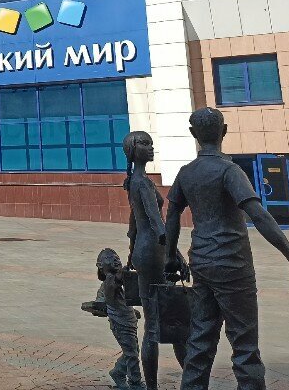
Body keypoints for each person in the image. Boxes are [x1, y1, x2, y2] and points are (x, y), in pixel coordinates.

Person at [164, 107, 289, 390]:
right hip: (233, 265)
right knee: (244, 344)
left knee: (199, 340)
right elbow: (259, 216)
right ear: (224, 131)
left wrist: (170, 255)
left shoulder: (186, 173)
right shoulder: (229, 171)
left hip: (202, 263)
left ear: (193, 134)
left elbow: (171, 217)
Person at [123, 131, 187, 389]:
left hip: (145, 251)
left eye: (151, 143)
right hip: (153, 252)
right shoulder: (141, 183)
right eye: (145, 143)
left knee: (159, 318)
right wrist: (174, 253)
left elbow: (133, 224)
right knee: (165, 319)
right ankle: (183, 379)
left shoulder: (135, 181)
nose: (151, 147)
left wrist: (131, 252)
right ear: (132, 149)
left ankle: (163, 382)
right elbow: (156, 223)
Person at [97, 248, 145, 390]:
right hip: (120, 323)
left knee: (132, 352)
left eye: (116, 257)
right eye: (109, 258)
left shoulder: (116, 281)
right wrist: (129, 264)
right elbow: (118, 280)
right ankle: (135, 383)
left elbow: (121, 302)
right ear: (100, 265)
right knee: (132, 354)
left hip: (129, 321)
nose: (115, 259)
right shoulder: (109, 281)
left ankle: (118, 372)